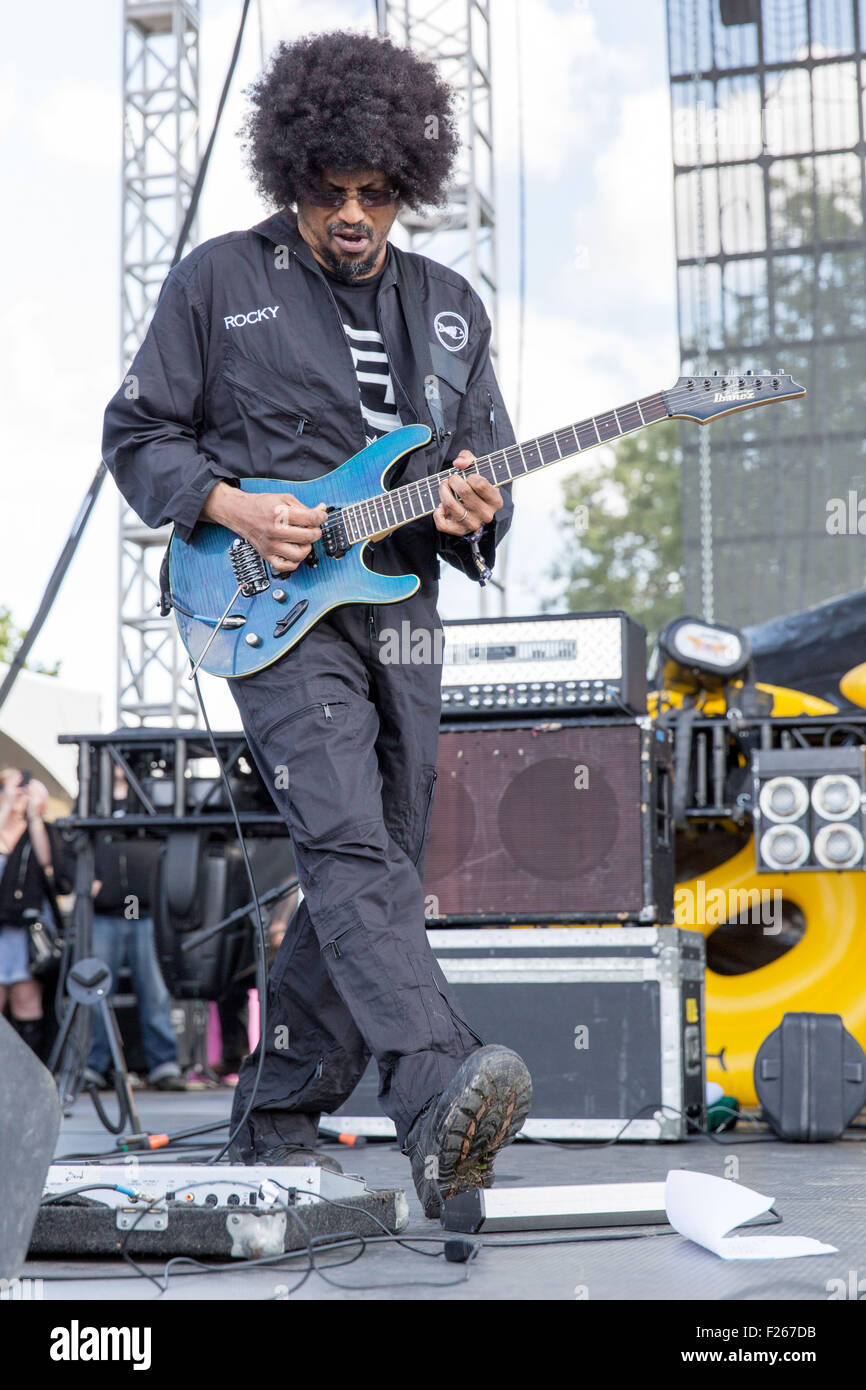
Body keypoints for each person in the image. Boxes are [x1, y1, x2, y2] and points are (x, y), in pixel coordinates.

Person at [102, 30, 531, 1218]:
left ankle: (276, 1114)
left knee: (382, 862)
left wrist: (477, 504)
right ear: (291, 179)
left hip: (399, 612)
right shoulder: (216, 282)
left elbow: (480, 477)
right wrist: (235, 504)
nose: (351, 214)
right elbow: (137, 437)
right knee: (347, 845)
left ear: (406, 185)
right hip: (268, 607)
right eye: (327, 192)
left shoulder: (450, 310)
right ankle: (439, 1092)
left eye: (374, 194)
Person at [83, 766, 186, 1092]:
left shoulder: (150, 799)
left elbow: (171, 840)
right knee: (96, 990)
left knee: (154, 991)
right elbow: (71, 840)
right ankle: (94, 1064)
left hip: (144, 910)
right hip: (106, 912)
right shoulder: (90, 798)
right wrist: (86, 884)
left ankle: (163, 1064)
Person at [0, 768, 66, 1058]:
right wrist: (6, 803)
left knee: (26, 998)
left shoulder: (39, 831)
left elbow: (48, 863)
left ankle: (29, 1076)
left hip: (25, 930)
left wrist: (35, 815)